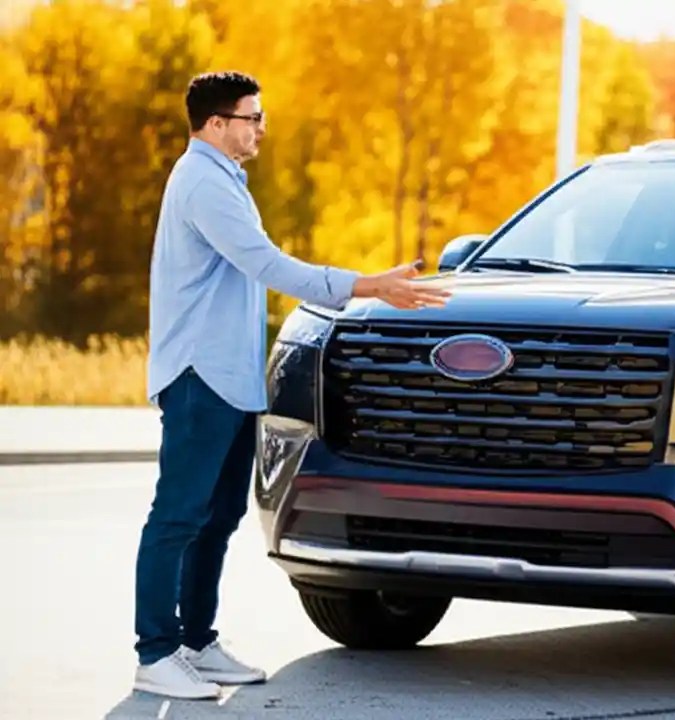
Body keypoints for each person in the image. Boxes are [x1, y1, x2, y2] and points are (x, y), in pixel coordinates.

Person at [133, 70, 452, 700]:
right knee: (177, 515)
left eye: (260, 117)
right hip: (199, 376)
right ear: (217, 124)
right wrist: (370, 286)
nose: (260, 128)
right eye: (251, 118)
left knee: (218, 515)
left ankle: (196, 641)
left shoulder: (224, 181)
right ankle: (156, 651)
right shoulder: (202, 182)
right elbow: (269, 265)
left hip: (228, 378)